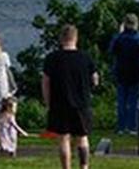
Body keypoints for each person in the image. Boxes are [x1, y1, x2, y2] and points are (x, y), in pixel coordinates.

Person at [43, 24, 98, 169]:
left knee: (63, 138)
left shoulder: (52, 58)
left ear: (61, 38)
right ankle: (84, 166)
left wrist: (48, 103)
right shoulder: (85, 58)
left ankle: (66, 167)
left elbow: (46, 82)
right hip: (82, 103)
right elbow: (95, 79)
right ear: (76, 38)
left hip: (59, 103)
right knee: (82, 137)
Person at [108, 13, 139, 135]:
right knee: (134, 101)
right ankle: (133, 127)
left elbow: (111, 50)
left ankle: (121, 127)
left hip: (121, 72)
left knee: (121, 101)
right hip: (136, 73)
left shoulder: (119, 38)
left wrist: (119, 34)